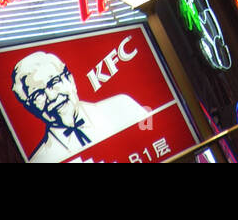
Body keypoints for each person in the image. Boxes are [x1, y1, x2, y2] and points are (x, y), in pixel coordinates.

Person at [10, 51, 149, 163]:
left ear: (70, 80)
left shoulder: (122, 106)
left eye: (54, 82)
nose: (51, 97)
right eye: (37, 94)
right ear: (29, 107)